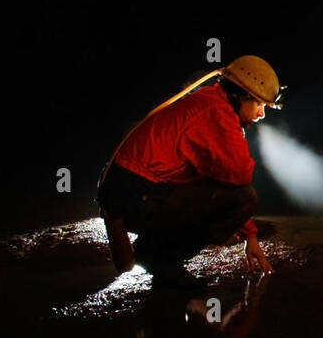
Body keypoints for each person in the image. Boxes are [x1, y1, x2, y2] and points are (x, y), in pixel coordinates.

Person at [96, 55, 286, 288]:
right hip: (135, 192)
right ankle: (161, 259)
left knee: (225, 193)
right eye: (259, 104)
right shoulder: (216, 113)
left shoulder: (211, 102)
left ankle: (151, 252)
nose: (261, 114)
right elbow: (241, 176)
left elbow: (221, 181)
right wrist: (236, 135)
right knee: (245, 198)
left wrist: (250, 236)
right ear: (239, 95)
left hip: (129, 190)